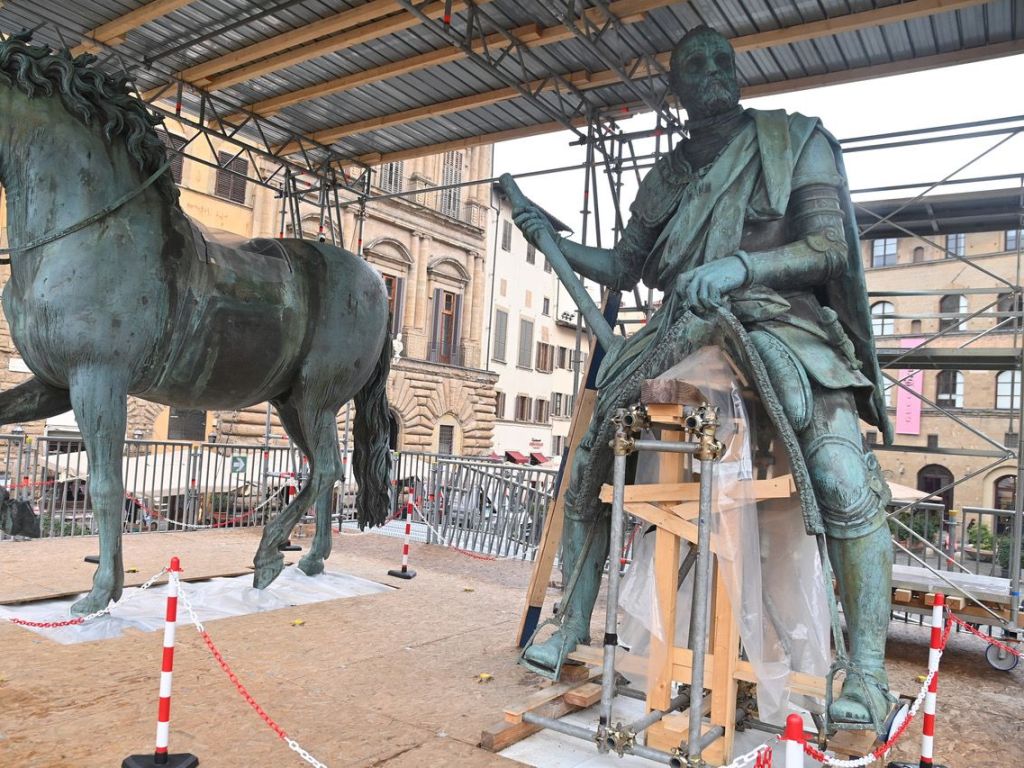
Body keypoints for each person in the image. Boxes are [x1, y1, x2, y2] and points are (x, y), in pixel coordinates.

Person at [512, 25, 895, 730]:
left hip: (782, 320)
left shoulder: (794, 140)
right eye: (696, 63)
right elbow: (622, 267)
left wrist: (741, 267)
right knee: (590, 461)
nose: (714, 69)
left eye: (723, 59)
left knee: (841, 475)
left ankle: (868, 674)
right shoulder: (666, 177)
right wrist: (552, 240)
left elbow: (828, 249)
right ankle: (570, 621)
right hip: (679, 329)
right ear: (677, 86)